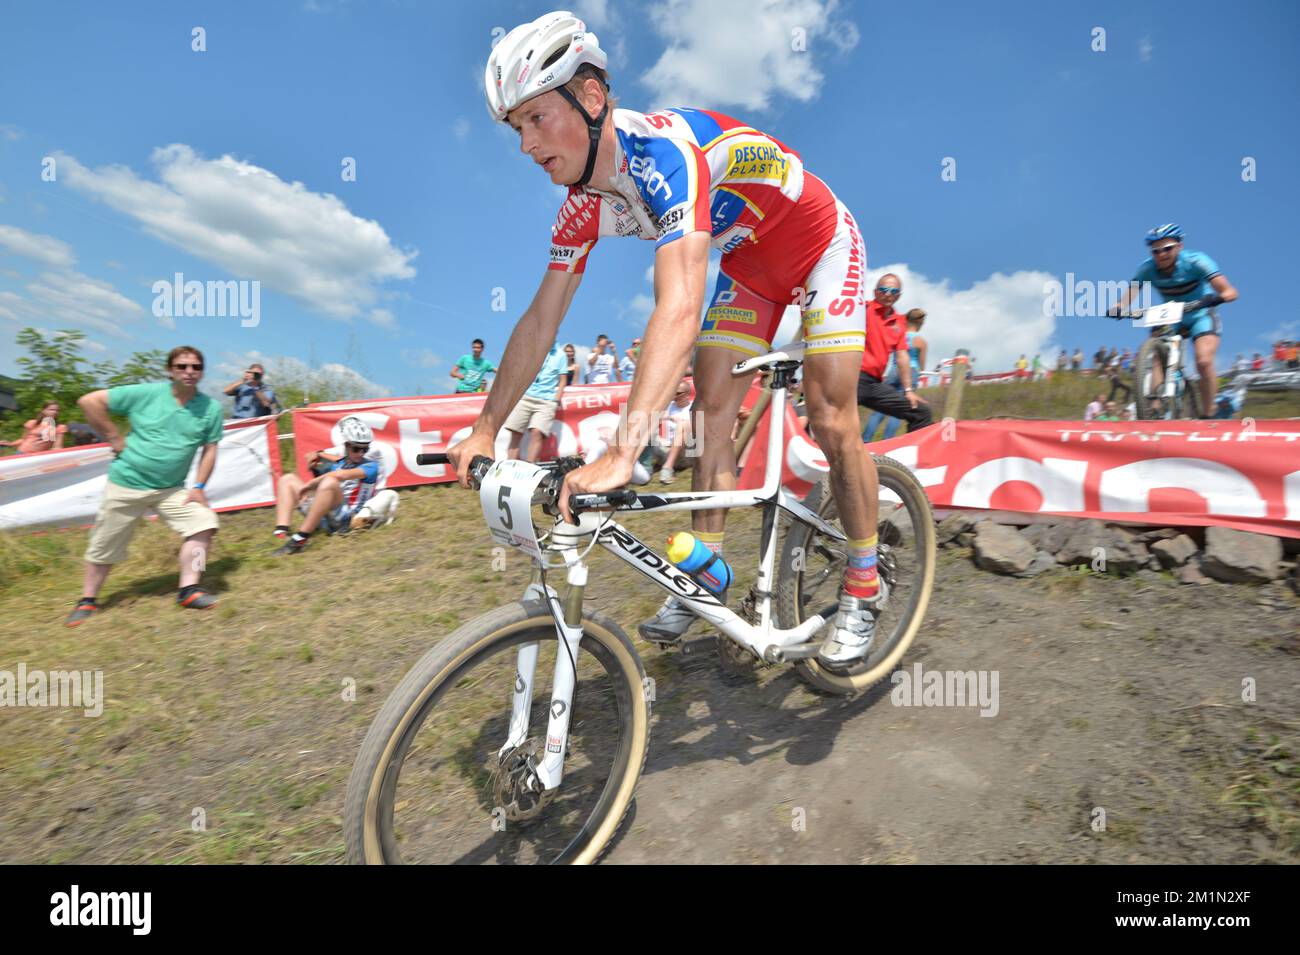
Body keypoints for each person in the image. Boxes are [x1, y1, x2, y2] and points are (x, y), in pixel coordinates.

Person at [452, 11, 889, 666]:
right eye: (518, 129)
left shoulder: (664, 156)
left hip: (820, 245)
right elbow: (541, 319)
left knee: (830, 414)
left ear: (592, 97)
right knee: (713, 408)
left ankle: (864, 581)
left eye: (536, 119)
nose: (525, 145)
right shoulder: (581, 202)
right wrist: (486, 427)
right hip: (751, 267)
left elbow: (679, 303)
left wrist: (625, 450)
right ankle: (705, 571)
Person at [64, 346, 223, 626]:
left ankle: (189, 589)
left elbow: (210, 449)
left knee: (204, 523)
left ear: (202, 372)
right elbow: (89, 401)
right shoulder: (146, 394)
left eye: (195, 367)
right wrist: (114, 437)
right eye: (182, 366)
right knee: (105, 543)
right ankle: (88, 600)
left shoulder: (210, 408)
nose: (189, 372)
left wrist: (198, 486)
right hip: (127, 483)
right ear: (170, 370)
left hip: (171, 489)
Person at [1107, 223, 1239, 417]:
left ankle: (1209, 411)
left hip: (1200, 314)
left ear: (1179, 246)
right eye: (1156, 251)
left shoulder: (1197, 261)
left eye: (1167, 248)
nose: (1161, 254)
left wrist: (1216, 297)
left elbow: (1230, 291)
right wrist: (1119, 308)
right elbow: (1130, 294)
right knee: (1155, 358)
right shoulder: (1147, 269)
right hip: (1171, 316)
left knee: (1203, 361)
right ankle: (1155, 410)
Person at [272, 416, 393, 553]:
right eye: (356, 449)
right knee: (287, 479)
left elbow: (340, 475)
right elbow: (320, 458)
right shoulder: (340, 463)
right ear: (346, 446)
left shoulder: (371, 466)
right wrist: (317, 456)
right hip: (327, 516)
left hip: (348, 519)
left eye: (365, 449)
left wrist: (311, 484)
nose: (360, 453)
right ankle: (280, 532)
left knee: (330, 482)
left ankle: (300, 539)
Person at [858, 277, 932, 441]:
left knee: (921, 412)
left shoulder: (899, 322)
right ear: (875, 291)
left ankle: (907, 458)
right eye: (883, 290)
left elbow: (901, 355)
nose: (887, 294)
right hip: (851, 378)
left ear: (899, 295)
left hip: (874, 384)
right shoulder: (862, 309)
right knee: (831, 420)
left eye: (893, 291)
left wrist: (909, 391)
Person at [504, 340, 568, 462]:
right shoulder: (532, 348)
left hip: (546, 401)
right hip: (525, 396)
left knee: (537, 433)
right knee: (516, 433)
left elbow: (563, 380)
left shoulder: (560, 355)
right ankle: (508, 468)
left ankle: (528, 471)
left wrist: (556, 400)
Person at [1, 400, 68, 454]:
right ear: (43, 410)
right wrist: (10, 444)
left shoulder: (59, 427)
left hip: (38, 457)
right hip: (22, 452)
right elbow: (23, 440)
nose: (55, 412)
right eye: (51, 410)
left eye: (57, 410)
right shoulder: (33, 423)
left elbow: (58, 447)